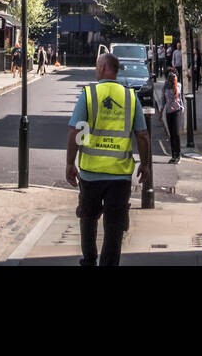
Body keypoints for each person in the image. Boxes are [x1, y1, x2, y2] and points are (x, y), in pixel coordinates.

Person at [66, 51, 152, 267]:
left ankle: (89, 260)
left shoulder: (89, 94)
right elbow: (142, 135)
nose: (96, 70)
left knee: (88, 217)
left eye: (97, 66)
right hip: (119, 175)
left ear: (104, 68)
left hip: (90, 173)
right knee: (115, 226)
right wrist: (145, 164)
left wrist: (70, 163)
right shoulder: (130, 97)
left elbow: (76, 130)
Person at [158, 68, 185, 163]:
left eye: (173, 75)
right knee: (171, 135)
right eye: (170, 75)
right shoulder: (165, 86)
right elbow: (162, 100)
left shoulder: (178, 85)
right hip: (168, 112)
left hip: (177, 111)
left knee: (176, 134)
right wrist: (160, 113)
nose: (171, 77)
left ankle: (178, 155)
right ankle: (174, 155)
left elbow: (179, 96)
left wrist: (182, 108)